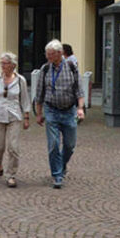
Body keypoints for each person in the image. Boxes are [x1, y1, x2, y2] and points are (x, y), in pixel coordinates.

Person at [33, 39, 86, 189]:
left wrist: (80, 108)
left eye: (50, 54)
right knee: (54, 144)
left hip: (69, 111)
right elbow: (39, 94)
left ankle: (61, 165)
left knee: (70, 145)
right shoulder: (45, 69)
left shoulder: (71, 67)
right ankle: (57, 175)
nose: (48, 57)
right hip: (51, 111)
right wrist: (38, 113)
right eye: (47, 54)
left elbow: (79, 91)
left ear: (59, 53)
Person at [0, 52, 32, 188]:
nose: (2, 66)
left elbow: (25, 100)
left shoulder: (20, 80)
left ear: (12, 65)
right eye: (1, 63)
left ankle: (11, 175)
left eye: (5, 63)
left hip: (14, 116)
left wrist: (26, 117)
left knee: (13, 147)